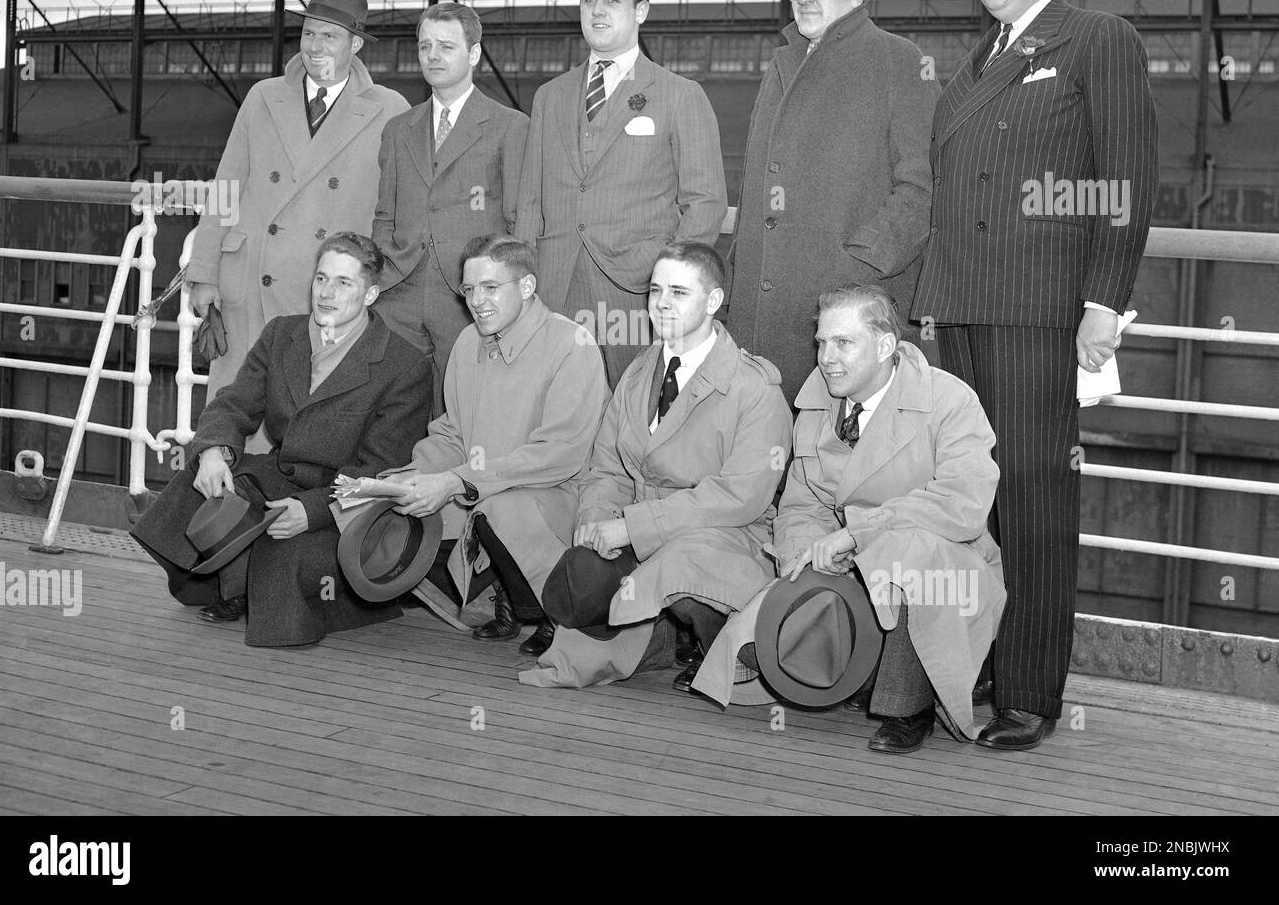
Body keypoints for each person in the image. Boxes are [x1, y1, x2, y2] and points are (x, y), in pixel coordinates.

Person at [909, 0, 1157, 749]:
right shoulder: (979, 60)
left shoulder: (1096, 39)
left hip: (1038, 304)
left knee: (1035, 496)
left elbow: (1124, 180)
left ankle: (1029, 688)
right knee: (972, 495)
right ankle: (974, 656)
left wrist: (1103, 300)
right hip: (963, 305)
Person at [693, 285, 1006, 753]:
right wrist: (807, 554)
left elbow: (963, 505)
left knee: (907, 550)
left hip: (945, 570)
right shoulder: (816, 405)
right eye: (821, 342)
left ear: (885, 347)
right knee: (770, 637)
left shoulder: (950, 399)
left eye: (843, 343)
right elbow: (802, 504)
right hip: (852, 565)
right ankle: (864, 676)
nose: (826, 358)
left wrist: (857, 535)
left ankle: (907, 708)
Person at [132, 233, 432, 647]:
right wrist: (214, 455)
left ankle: (262, 586)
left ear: (370, 294)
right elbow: (233, 405)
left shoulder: (404, 366)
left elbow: (378, 470)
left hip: (347, 504)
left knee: (283, 557)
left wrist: (314, 511)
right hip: (281, 475)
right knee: (196, 485)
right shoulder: (282, 335)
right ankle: (237, 584)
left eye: (343, 283)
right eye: (321, 279)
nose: (326, 294)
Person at [520, 242, 792, 690]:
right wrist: (597, 523)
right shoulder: (638, 372)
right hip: (640, 527)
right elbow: (606, 468)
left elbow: (739, 497)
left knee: (684, 563)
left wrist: (630, 529)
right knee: (581, 598)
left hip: (724, 534)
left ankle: (720, 648)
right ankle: (662, 637)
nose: (662, 303)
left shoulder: (755, 389)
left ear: (714, 302)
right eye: (655, 290)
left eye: (680, 292)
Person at [726, 0, 939, 404]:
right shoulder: (782, 63)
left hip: (844, 310)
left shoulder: (901, 61)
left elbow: (924, 185)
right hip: (760, 307)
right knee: (762, 456)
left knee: (839, 460)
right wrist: (738, 273)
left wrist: (861, 263)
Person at [379, 234, 608, 656]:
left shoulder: (572, 345)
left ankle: (550, 608)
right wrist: (408, 478)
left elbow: (559, 454)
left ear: (526, 287)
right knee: (389, 508)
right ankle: (499, 586)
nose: (476, 300)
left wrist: (456, 481)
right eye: (468, 289)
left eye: (490, 287)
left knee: (495, 508)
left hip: (556, 493)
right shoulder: (468, 342)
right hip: (484, 486)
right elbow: (453, 433)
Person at [187, 0, 410, 402]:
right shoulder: (263, 97)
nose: (315, 45)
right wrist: (203, 272)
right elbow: (225, 186)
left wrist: (377, 282)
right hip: (251, 283)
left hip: (327, 290)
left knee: (312, 413)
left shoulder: (389, 109)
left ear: (356, 44)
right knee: (240, 407)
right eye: (309, 33)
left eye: (330, 35)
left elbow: (396, 206)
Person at [514, 0, 727, 387]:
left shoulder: (681, 96)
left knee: (633, 412)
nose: (597, 10)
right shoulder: (549, 97)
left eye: (612, 0)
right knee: (555, 411)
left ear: (641, 10)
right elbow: (529, 202)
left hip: (636, 291)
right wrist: (525, 279)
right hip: (555, 287)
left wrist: (671, 283)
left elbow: (705, 202)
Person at [371, 2, 529, 413]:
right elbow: (384, 214)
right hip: (397, 291)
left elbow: (517, 219)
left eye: (446, 46)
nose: (433, 56)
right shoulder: (397, 129)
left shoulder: (510, 127)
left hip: (466, 295)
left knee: (460, 409)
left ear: (473, 54)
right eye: (425, 46)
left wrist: (503, 291)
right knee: (389, 407)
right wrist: (379, 275)